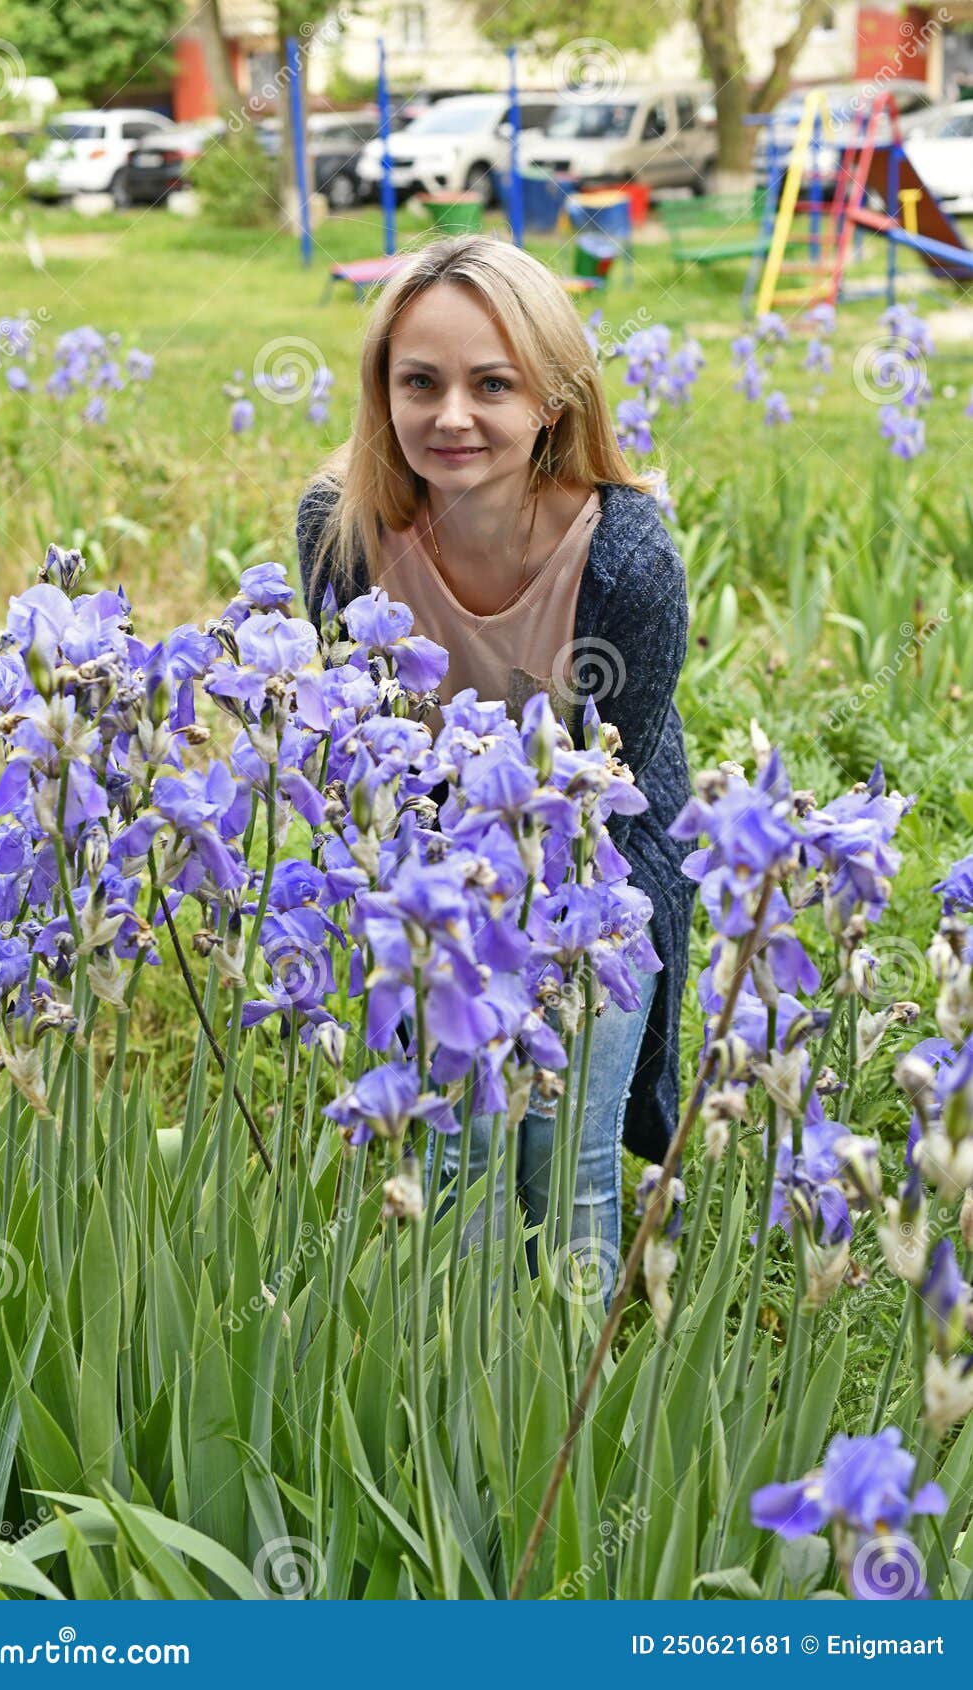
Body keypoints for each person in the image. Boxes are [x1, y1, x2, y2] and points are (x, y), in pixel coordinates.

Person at [295, 233, 697, 1306]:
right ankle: (454, 1401)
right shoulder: (342, 528)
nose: (450, 416)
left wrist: (522, 937)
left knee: (561, 1166)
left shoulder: (625, 557)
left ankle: (572, 1412)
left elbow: (607, 791)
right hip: (429, 876)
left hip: (592, 879)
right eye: (418, 382)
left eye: (491, 385)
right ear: (382, 389)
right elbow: (358, 747)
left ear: (552, 401)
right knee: (454, 1162)